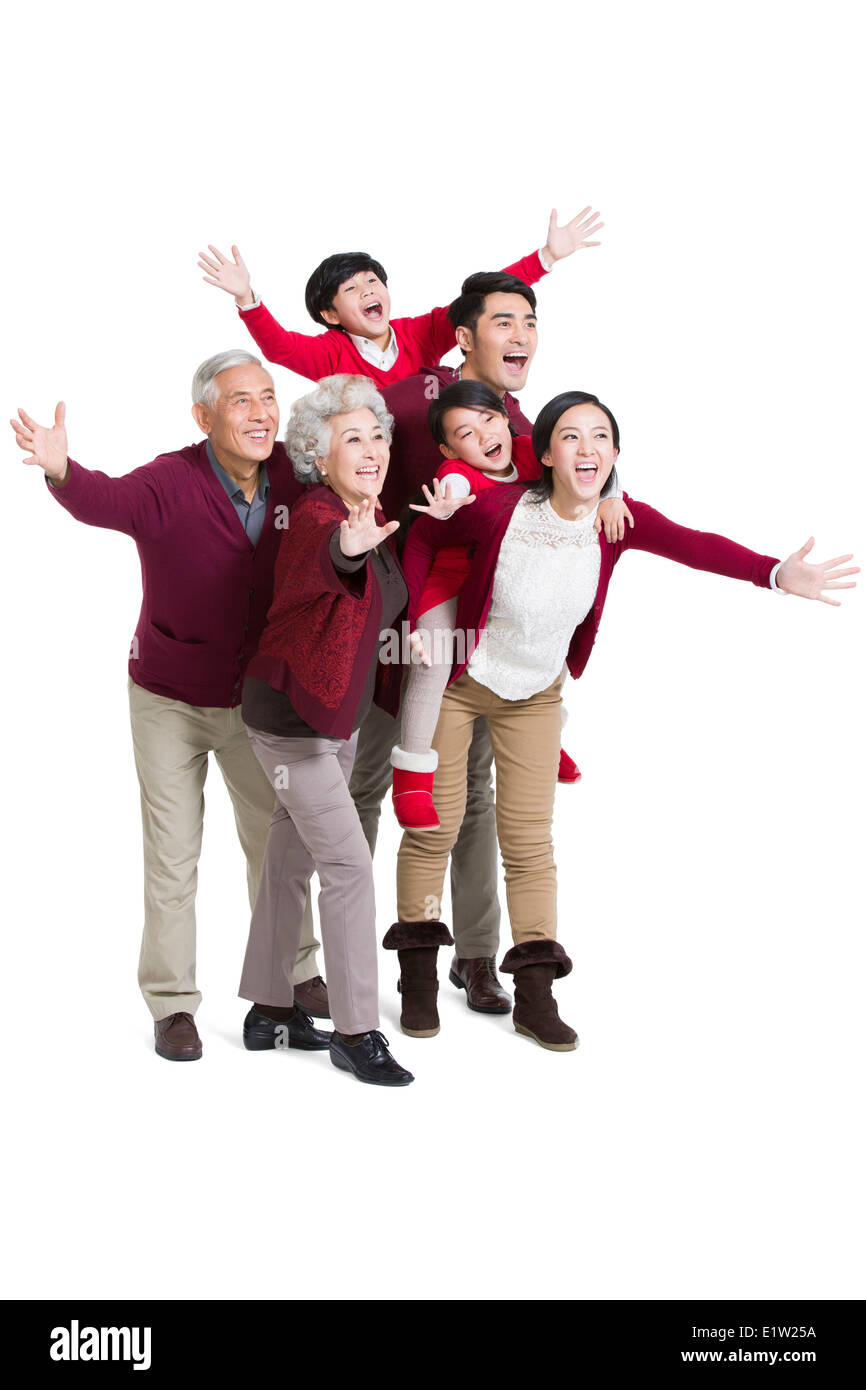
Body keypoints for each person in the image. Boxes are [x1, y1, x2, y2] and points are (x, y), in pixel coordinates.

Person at [391, 391, 858, 1050]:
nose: (587, 449)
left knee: (528, 846)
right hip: (463, 683)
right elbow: (432, 536)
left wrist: (777, 574)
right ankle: (417, 979)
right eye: (571, 437)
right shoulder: (499, 507)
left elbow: (696, 546)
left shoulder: (619, 521)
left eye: (600, 437)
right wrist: (415, 617)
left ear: (614, 455)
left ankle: (535, 995)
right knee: (433, 828)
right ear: (544, 452)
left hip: (535, 694)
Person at [9, 352, 326, 1062]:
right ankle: (173, 1004)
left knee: (277, 848)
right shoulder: (170, 480)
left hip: (256, 703)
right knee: (173, 856)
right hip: (168, 700)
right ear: (204, 416)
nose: (261, 413)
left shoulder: (293, 477)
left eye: (268, 398)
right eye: (241, 401)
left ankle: (298, 973)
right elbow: (106, 501)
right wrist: (62, 469)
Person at [350, 271, 630, 1017]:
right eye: (502, 322)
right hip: (410, 622)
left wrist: (613, 492)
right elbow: (367, 471)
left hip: (499, 648)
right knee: (379, 793)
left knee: (481, 801)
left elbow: (578, 473)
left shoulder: (528, 426)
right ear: (465, 334)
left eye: (528, 322)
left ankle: (476, 960)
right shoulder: (411, 398)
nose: (519, 336)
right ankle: (352, 963)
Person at [237, 374, 414, 1086]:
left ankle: (269, 1009)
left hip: (333, 717)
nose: (371, 448)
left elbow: (375, 602)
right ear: (318, 452)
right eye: (352, 438)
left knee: (289, 863)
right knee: (348, 867)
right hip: (291, 723)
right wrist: (349, 546)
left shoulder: (368, 509)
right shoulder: (319, 516)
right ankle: (356, 1030)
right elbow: (328, 560)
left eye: (377, 435)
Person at [390, 380, 631, 828]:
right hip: (453, 583)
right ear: (449, 451)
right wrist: (411, 621)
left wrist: (611, 497)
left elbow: (584, 463)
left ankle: (543, 737)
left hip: (508, 578)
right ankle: (411, 778)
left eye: (488, 420)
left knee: (543, 624)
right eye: (465, 434)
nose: (483, 438)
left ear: (505, 418)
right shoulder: (455, 478)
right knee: (432, 662)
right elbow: (445, 505)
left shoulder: (526, 450)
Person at [197, 204, 603, 388]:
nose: (368, 291)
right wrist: (247, 298)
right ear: (331, 314)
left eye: (373, 282)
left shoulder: (421, 332)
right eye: (351, 289)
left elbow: (483, 297)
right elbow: (281, 348)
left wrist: (546, 257)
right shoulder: (331, 353)